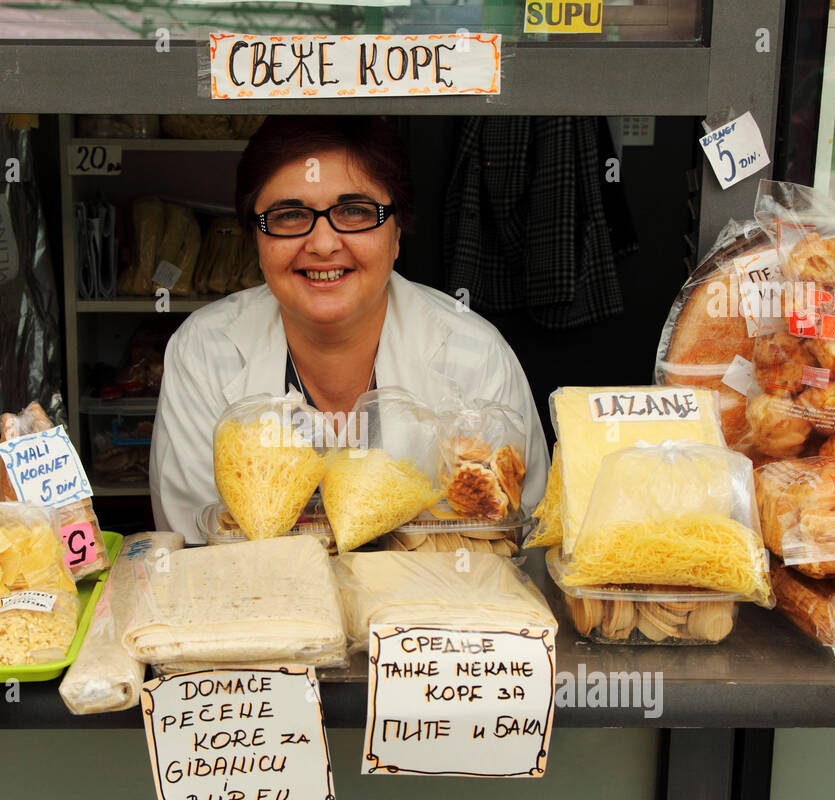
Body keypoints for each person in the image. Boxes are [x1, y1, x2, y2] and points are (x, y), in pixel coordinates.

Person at [150, 115, 550, 542]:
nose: (323, 244)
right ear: (257, 238)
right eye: (289, 214)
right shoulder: (204, 352)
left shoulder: (474, 355)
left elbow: (517, 539)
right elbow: (193, 545)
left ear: (397, 233)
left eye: (354, 211)